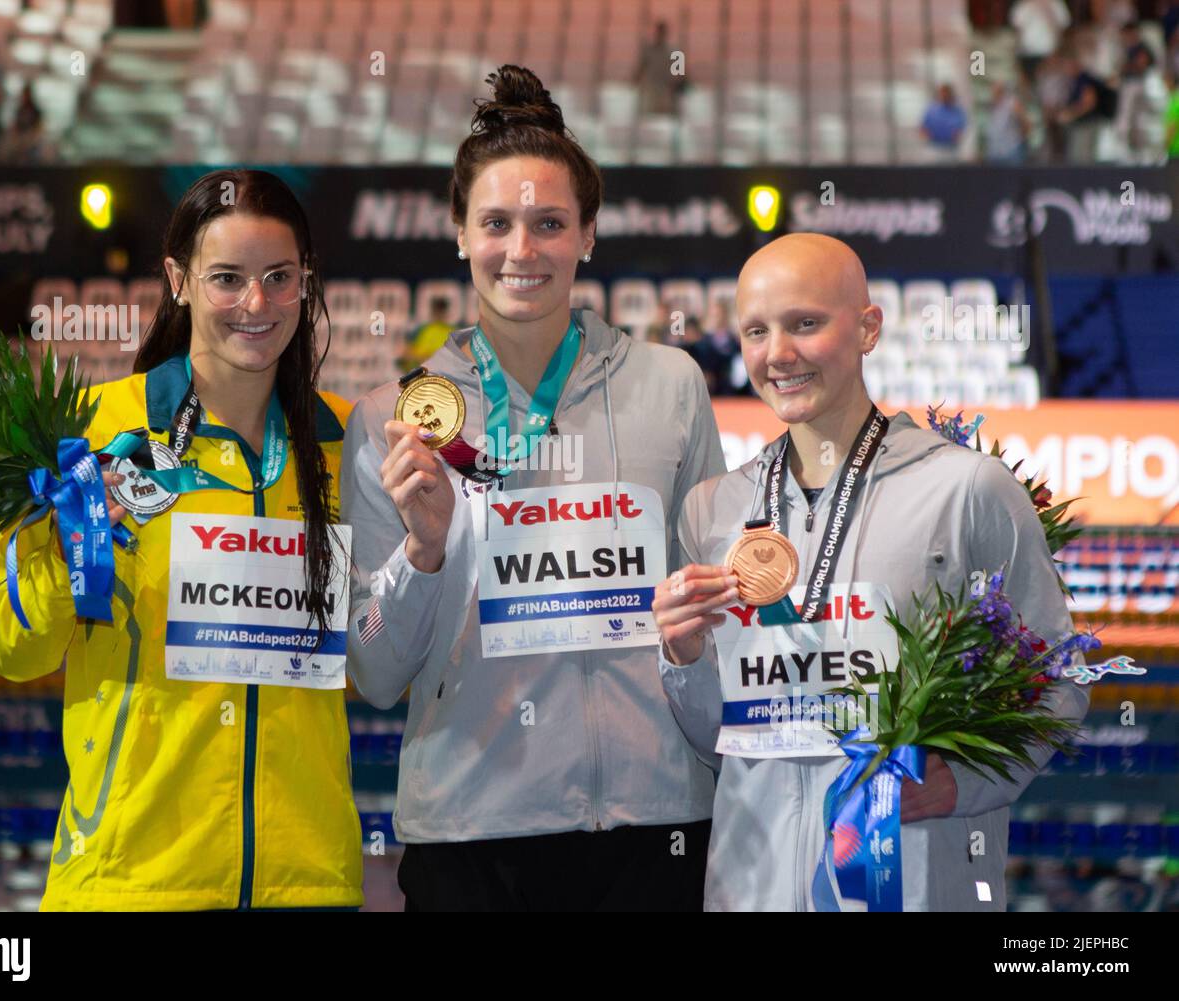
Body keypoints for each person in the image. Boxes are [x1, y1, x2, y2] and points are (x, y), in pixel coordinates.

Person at [342, 65, 725, 911]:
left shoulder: (670, 387)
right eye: (497, 223)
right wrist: (423, 551)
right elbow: (372, 668)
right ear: (458, 232)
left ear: (588, 234)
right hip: (470, 842)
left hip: (655, 827)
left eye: (550, 223)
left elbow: (711, 613)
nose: (522, 250)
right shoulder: (391, 420)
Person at [0, 169, 364, 910]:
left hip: (307, 878)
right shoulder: (91, 435)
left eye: (279, 277)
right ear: (178, 279)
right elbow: (11, 647)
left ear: (307, 283)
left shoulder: (345, 445)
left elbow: (377, 660)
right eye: (227, 277)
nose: (256, 303)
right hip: (130, 877)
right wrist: (69, 533)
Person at [652, 233, 1090, 911]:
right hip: (750, 889)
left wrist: (961, 780)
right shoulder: (715, 508)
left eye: (805, 323)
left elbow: (1058, 678)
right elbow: (717, 735)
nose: (779, 354)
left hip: (913, 881)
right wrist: (682, 653)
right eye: (757, 331)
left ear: (868, 327)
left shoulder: (965, 488)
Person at [1115, 21, 1156, 162]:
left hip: (1137, 85)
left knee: (1135, 121)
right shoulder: (1127, 48)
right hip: (1129, 84)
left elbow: (1141, 65)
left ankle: (1140, 157)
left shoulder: (1141, 48)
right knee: (1125, 122)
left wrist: (1125, 67)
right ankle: (1126, 155)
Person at [1010, 0, 1072, 91]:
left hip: (1050, 56)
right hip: (1026, 55)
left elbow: (1063, 30)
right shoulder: (1023, 4)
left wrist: (1058, 53)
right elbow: (1017, 32)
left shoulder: (1056, 3)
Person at [399, 296, 456, 372]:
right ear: (433, 311)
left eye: (441, 310)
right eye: (437, 310)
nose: (439, 313)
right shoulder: (421, 330)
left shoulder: (453, 332)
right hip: (423, 376)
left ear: (446, 311)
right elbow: (405, 356)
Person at [984, 79, 1030, 162]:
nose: (993, 93)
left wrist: (1020, 140)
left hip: (1011, 151)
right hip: (994, 152)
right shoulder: (991, 106)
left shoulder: (1012, 103)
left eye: (996, 90)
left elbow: (1026, 124)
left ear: (1002, 91)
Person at [919, 83, 967, 161]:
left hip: (951, 149)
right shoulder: (931, 110)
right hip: (933, 148)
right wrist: (927, 137)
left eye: (946, 93)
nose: (944, 95)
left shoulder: (958, 111)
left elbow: (961, 130)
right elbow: (923, 128)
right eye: (942, 93)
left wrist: (956, 137)